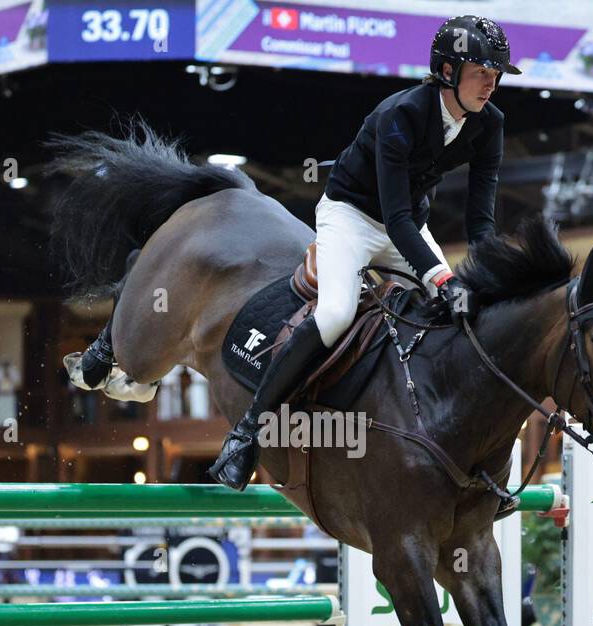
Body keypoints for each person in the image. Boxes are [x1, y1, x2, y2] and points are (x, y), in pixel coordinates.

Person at [208, 15, 520, 490]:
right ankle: (247, 432)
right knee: (335, 314)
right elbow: (393, 218)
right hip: (351, 217)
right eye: (482, 73)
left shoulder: (490, 122)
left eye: (496, 75)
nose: (491, 85)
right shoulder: (400, 115)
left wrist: (486, 277)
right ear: (448, 71)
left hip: (409, 225)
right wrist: (441, 278)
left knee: (461, 317)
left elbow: (480, 220)